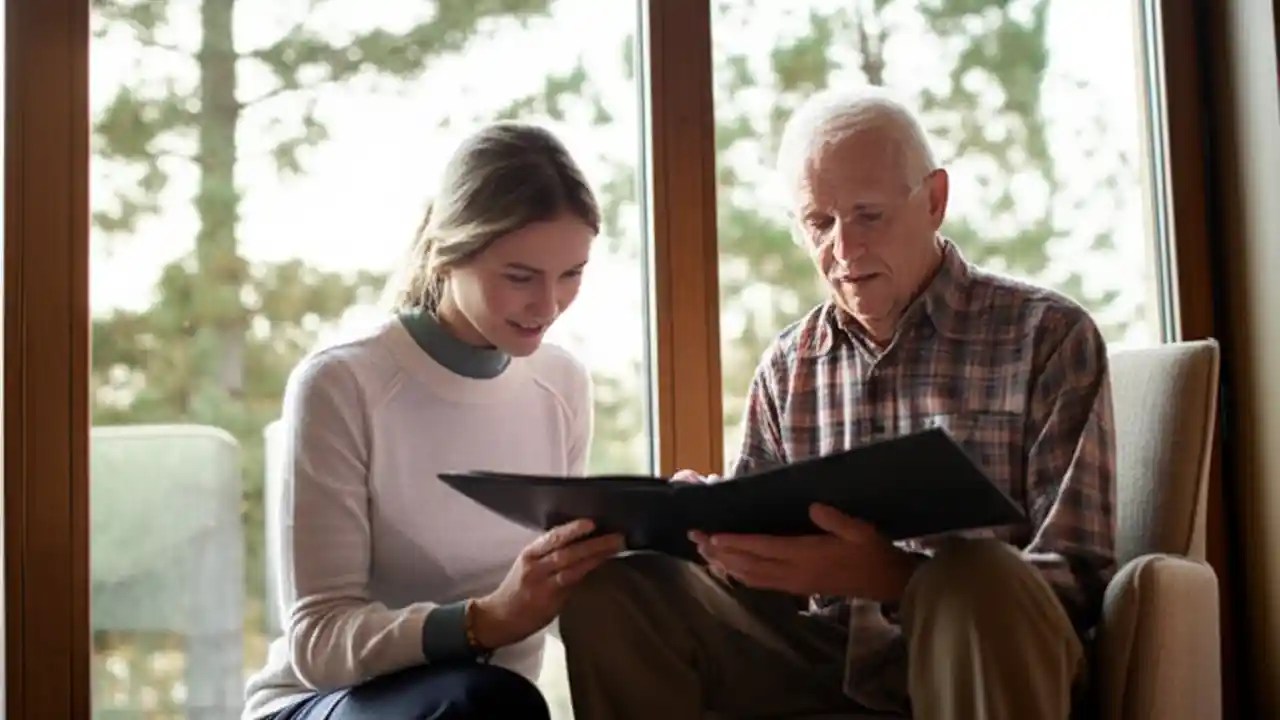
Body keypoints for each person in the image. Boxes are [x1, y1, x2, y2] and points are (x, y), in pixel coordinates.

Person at [558, 87, 1116, 720]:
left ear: (934, 201)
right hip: (826, 661)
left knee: (976, 575)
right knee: (617, 590)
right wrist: (706, 536)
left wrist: (896, 578)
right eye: (819, 223)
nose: (844, 251)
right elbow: (765, 572)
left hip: (986, 659)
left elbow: (1078, 577)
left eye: (868, 215)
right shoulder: (788, 367)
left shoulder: (1046, 336)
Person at [242, 121, 625, 720]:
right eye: (520, 277)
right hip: (324, 702)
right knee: (486, 703)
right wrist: (486, 621)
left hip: (486, 706)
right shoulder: (344, 384)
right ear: (450, 253)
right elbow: (317, 640)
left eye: (571, 274)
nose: (548, 306)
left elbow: (555, 587)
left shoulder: (561, 384)